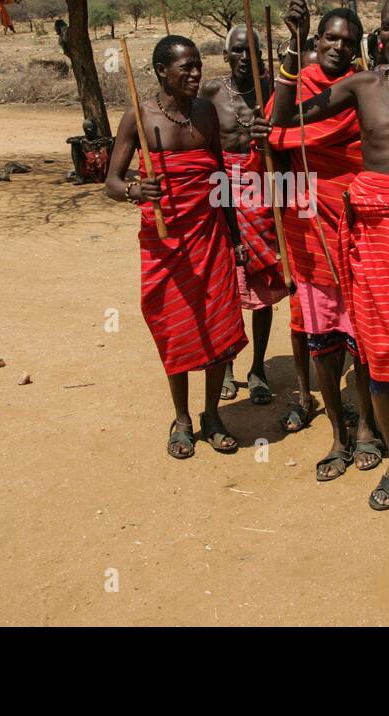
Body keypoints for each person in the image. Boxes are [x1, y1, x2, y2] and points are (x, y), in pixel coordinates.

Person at [257, 0, 389, 522]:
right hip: (372, 239)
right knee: (378, 359)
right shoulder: (362, 85)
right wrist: (291, 51)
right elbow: (285, 121)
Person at [104, 35, 248, 459]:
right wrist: (135, 189)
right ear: (161, 72)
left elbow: (220, 178)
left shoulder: (206, 112)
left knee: (218, 322)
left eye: (198, 65)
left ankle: (212, 414)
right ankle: (182, 418)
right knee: (175, 327)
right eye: (184, 67)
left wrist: (236, 237)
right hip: (165, 242)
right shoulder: (139, 115)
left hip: (210, 235)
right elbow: (111, 182)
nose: (194, 73)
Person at [260, 0, 380, 480]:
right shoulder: (299, 87)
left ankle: (369, 425)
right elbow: (276, 131)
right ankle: (338, 433)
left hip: (357, 220)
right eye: (330, 38)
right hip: (308, 224)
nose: (339, 46)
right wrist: (290, 43)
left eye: (348, 42)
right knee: (322, 336)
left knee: (363, 338)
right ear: (315, 41)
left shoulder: (364, 90)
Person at [200, 25, 285, 404]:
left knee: (262, 282)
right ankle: (228, 366)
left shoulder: (272, 93)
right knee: (228, 284)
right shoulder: (211, 93)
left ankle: (258, 368)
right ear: (225, 55)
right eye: (236, 51)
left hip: (262, 189)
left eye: (251, 51)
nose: (243, 59)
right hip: (222, 189)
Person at [66, 118, 114, 184]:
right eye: (92, 130)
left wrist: (104, 143)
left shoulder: (100, 139)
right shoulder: (82, 139)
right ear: (86, 130)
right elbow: (69, 140)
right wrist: (85, 142)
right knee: (75, 145)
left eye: (95, 129)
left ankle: (111, 175)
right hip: (88, 167)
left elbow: (112, 140)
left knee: (111, 146)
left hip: (100, 167)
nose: (95, 131)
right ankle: (79, 177)